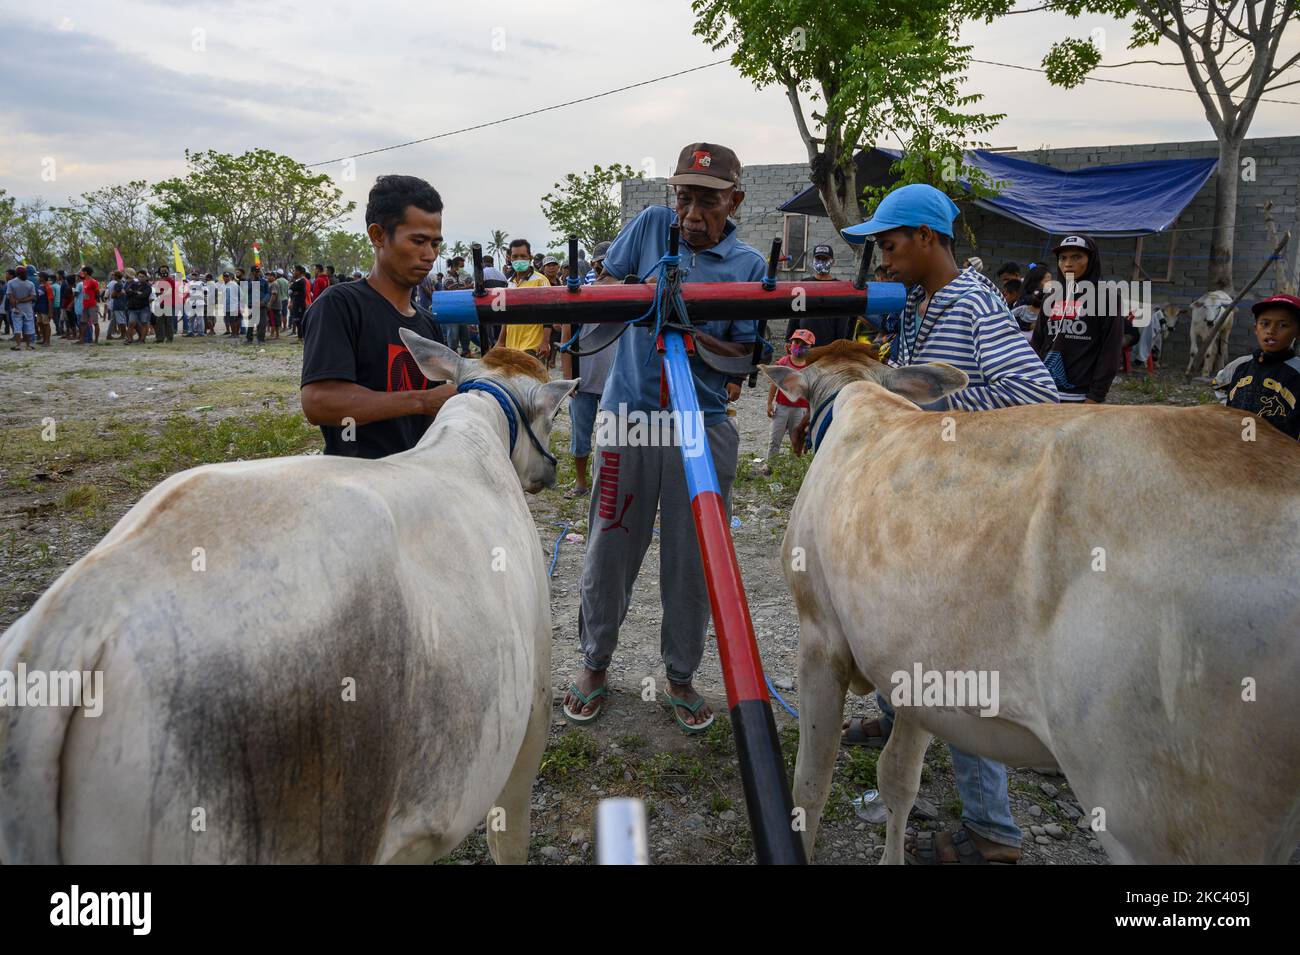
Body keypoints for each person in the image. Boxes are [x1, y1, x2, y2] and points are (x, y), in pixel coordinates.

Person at [832, 182, 1058, 865]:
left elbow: (1034, 393)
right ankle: (899, 711)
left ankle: (993, 830)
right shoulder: (922, 303)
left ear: (929, 237)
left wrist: (923, 397)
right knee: (906, 624)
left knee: (950, 654)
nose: (884, 255)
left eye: (891, 242)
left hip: (969, 509)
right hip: (932, 500)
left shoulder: (972, 300)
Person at [562, 141, 764, 733]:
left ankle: (681, 675)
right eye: (684, 198)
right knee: (611, 543)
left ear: (736, 200)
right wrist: (639, 300)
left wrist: (692, 334)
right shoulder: (651, 226)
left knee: (692, 557)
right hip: (630, 418)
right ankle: (595, 664)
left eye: (708, 201)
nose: (693, 215)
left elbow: (744, 361)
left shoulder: (749, 265)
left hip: (699, 426)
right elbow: (607, 285)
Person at [300, 174, 456, 459]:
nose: (429, 255)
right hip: (358, 481)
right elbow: (319, 403)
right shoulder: (340, 306)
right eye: (418, 241)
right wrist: (421, 401)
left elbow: (433, 416)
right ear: (378, 236)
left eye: (435, 244)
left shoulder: (428, 324)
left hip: (418, 480)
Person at [1030, 234, 1124, 404]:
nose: (1068, 264)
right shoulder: (1051, 296)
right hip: (1045, 392)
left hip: (1080, 397)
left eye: (1076, 257)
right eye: (1062, 258)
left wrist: (1095, 396)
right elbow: (1038, 342)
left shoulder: (1107, 298)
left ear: (1091, 260)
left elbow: (1110, 350)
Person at [564, 242, 615, 499]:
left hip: (614, 381)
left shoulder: (627, 295)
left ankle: (605, 483)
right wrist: (568, 379)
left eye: (607, 263)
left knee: (612, 438)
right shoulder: (582, 294)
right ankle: (581, 482)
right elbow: (566, 339)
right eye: (599, 263)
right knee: (580, 434)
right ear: (594, 265)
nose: (603, 268)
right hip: (583, 379)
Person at [1212, 293, 1300, 440]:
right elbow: (1219, 384)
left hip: (1277, 455)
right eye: (1264, 323)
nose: (1271, 330)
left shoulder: (1296, 372)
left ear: (1298, 332)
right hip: (1236, 447)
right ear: (1255, 328)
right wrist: (1228, 412)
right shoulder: (1239, 366)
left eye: (1283, 325)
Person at [764, 328, 814, 473]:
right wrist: (769, 403)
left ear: (810, 348)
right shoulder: (783, 362)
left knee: (796, 440)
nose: (798, 346)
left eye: (803, 344)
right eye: (796, 342)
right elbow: (774, 382)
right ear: (790, 344)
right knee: (775, 438)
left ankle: (795, 468)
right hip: (781, 406)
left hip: (800, 409)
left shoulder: (810, 366)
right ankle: (770, 466)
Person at [787, 243, 854, 347]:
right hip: (803, 345)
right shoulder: (803, 285)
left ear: (832, 262)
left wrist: (841, 346)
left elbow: (842, 322)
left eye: (825, 259)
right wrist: (789, 339)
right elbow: (795, 315)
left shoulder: (839, 288)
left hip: (828, 346)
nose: (821, 262)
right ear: (813, 260)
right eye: (818, 258)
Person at [495, 239, 553, 359]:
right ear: (509, 258)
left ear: (530, 257)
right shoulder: (509, 283)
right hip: (511, 346)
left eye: (523, 256)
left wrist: (545, 342)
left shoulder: (540, 281)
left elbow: (549, 313)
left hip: (533, 346)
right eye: (515, 256)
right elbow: (506, 315)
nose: (519, 259)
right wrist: (501, 341)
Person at [1011, 264, 1051, 341]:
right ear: (1036, 282)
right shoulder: (1026, 300)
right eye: (1046, 281)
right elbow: (1015, 323)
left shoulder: (1049, 299)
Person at [5, 266, 36, 350]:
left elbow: (10, 297)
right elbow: (32, 297)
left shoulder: (11, 283)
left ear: (16, 273)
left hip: (16, 308)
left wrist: (15, 305)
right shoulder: (30, 284)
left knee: (17, 326)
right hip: (28, 308)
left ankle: (18, 345)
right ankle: (28, 345)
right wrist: (21, 300)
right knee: (28, 326)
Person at [125, 268, 151, 343]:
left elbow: (144, 296)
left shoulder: (148, 286)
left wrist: (133, 293)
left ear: (146, 277)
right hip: (133, 308)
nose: (141, 278)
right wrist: (137, 293)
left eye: (143, 276)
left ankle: (142, 340)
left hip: (144, 308)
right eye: (139, 276)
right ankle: (129, 339)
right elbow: (127, 292)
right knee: (131, 323)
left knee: (144, 323)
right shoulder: (133, 284)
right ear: (137, 277)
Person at [80, 267, 101, 344]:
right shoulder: (84, 281)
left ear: (86, 272)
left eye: (83, 271)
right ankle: (82, 339)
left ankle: (96, 340)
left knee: (95, 322)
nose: (82, 273)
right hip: (85, 305)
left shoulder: (93, 281)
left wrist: (94, 300)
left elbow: (97, 292)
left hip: (92, 305)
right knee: (83, 322)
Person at [289, 265, 309, 340]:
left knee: (299, 320)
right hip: (297, 303)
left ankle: (301, 337)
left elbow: (291, 290)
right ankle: (300, 336)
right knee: (297, 320)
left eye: (295, 271)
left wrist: (293, 290)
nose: (294, 272)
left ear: (298, 272)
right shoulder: (297, 281)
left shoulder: (302, 281)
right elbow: (290, 291)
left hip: (300, 304)